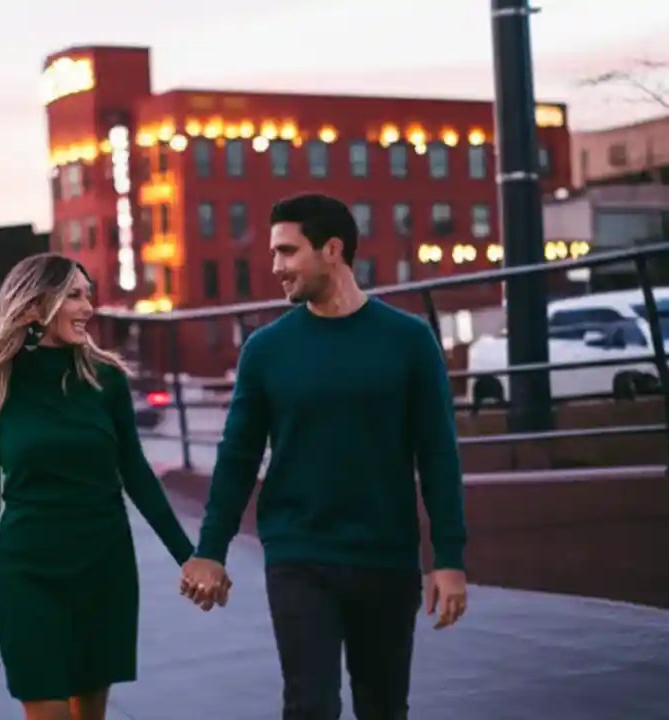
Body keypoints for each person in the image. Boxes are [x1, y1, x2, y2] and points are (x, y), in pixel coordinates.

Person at [179, 194, 469, 719]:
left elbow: (438, 454)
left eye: (287, 251)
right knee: (309, 705)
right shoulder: (266, 350)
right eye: (274, 252)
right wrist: (210, 549)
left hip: (385, 556)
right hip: (299, 554)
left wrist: (448, 558)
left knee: (384, 708)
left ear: (332, 249)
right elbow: (238, 456)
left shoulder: (409, 341)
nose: (275, 267)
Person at [0, 253, 222, 720]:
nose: (89, 307)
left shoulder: (106, 379)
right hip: (29, 577)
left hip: (103, 571)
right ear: (34, 306)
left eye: (88, 295)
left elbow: (136, 473)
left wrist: (188, 557)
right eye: (74, 296)